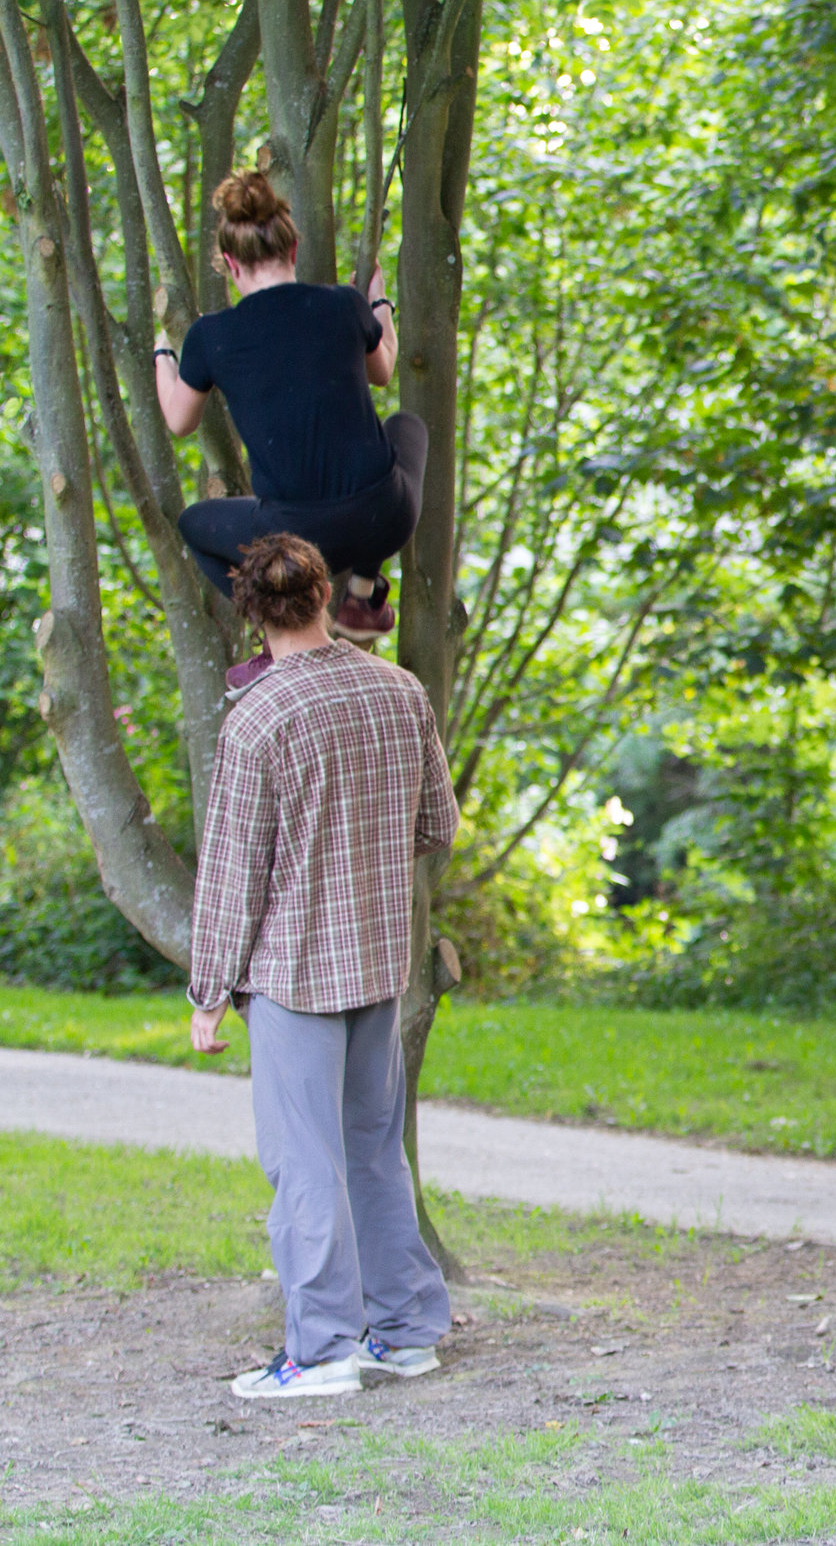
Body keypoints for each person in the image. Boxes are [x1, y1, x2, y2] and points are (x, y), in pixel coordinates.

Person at [187, 533, 461, 1401]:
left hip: (295, 973)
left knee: (304, 1162)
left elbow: (234, 873)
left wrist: (207, 994)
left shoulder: (257, 719)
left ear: (253, 614)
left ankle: (321, 1349)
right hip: (379, 958)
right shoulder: (399, 691)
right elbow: (437, 825)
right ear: (323, 596)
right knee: (375, 1153)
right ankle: (408, 1330)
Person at [155, 169, 427, 692]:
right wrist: (378, 303)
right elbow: (384, 369)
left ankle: (279, 641)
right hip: (384, 518)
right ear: (295, 247)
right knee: (406, 426)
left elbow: (178, 420)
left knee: (194, 524)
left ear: (230, 264)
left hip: (297, 543)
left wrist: (164, 356)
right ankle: (364, 595)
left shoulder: (212, 335)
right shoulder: (341, 304)